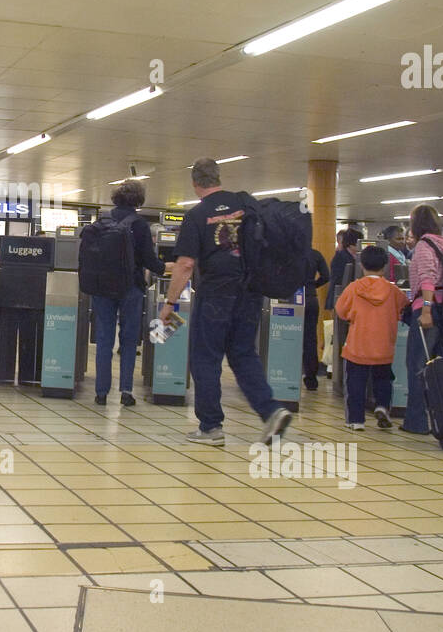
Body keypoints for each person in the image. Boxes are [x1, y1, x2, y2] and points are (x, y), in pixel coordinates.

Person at [158, 158, 293, 447]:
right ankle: (272, 410)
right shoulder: (245, 205)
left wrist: (169, 303)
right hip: (249, 292)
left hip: (215, 295)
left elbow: (184, 264)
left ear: (195, 183)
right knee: (243, 354)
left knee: (205, 358)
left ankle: (211, 427)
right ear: (218, 177)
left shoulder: (197, 215)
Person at [89, 180, 164, 408]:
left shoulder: (101, 221)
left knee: (104, 339)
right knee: (129, 340)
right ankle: (126, 392)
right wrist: (167, 266)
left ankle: (101, 393)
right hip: (130, 288)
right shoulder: (140, 225)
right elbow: (149, 261)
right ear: (139, 200)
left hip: (102, 288)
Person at [335, 245, 407, 431]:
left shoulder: (353, 288)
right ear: (384, 267)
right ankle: (382, 406)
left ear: (362, 265)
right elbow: (404, 306)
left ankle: (356, 420)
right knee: (383, 379)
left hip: (357, 346)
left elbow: (341, 311)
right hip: (384, 346)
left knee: (355, 384)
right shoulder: (392, 291)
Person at [402, 204, 443, 435]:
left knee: (416, 365)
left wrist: (425, 310)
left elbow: (427, 279)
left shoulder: (423, 245)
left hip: (427, 308)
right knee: (440, 365)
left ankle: (416, 421)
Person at [301, 246, 329, 390]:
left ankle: (288, 374)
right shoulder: (315, 254)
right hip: (311, 298)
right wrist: (312, 286)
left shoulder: (287, 252)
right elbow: (326, 276)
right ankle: (311, 379)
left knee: (287, 336)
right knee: (310, 339)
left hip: (292, 297)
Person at [323, 229, 361, 314]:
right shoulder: (340, 257)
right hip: (339, 297)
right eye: (359, 243)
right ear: (351, 244)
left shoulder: (356, 257)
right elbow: (338, 280)